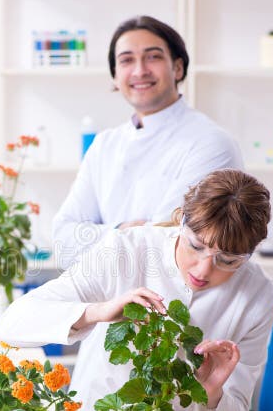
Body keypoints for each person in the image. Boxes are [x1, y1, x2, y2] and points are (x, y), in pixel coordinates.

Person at [0, 169, 273, 411]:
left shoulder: (257, 295)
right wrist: (98, 311)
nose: (203, 269)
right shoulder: (126, 252)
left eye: (228, 261)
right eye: (196, 246)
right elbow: (13, 323)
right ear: (180, 220)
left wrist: (211, 392)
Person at [53, 15, 243, 269]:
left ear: (177, 68)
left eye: (153, 57)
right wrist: (125, 229)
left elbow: (165, 248)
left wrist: (99, 234)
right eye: (127, 60)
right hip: (105, 302)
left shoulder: (211, 143)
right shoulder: (103, 145)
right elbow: (63, 242)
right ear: (115, 76)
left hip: (178, 305)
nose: (140, 70)